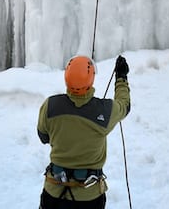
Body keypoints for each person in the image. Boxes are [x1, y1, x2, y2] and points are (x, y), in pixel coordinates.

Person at [37, 54, 131, 207]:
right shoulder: (106, 111)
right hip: (89, 197)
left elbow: (43, 137)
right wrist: (121, 77)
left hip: (53, 193)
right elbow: (124, 105)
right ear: (91, 79)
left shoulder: (50, 106)